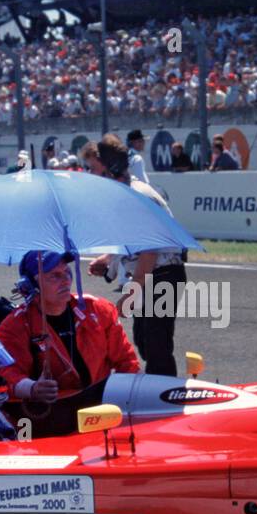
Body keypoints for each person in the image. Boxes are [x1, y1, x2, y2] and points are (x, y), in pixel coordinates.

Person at [87, 133, 186, 376]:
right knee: (144, 341)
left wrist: (131, 294)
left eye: (94, 170)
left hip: (163, 276)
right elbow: (128, 240)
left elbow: (149, 251)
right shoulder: (124, 194)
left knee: (156, 345)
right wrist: (108, 259)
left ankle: (165, 399)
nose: (90, 176)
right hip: (152, 276)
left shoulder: (137, 196)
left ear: (111, 169)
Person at [0, 249, 140, 405]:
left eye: (67, 272)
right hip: (51, 416)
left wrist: (127, 402)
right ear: (30, 286)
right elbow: (3, 377)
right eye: (55, 276)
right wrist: (32, 388)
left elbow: (127, 363)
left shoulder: (99, 310)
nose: (65, 280)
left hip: (101, 409)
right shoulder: (15, 325)